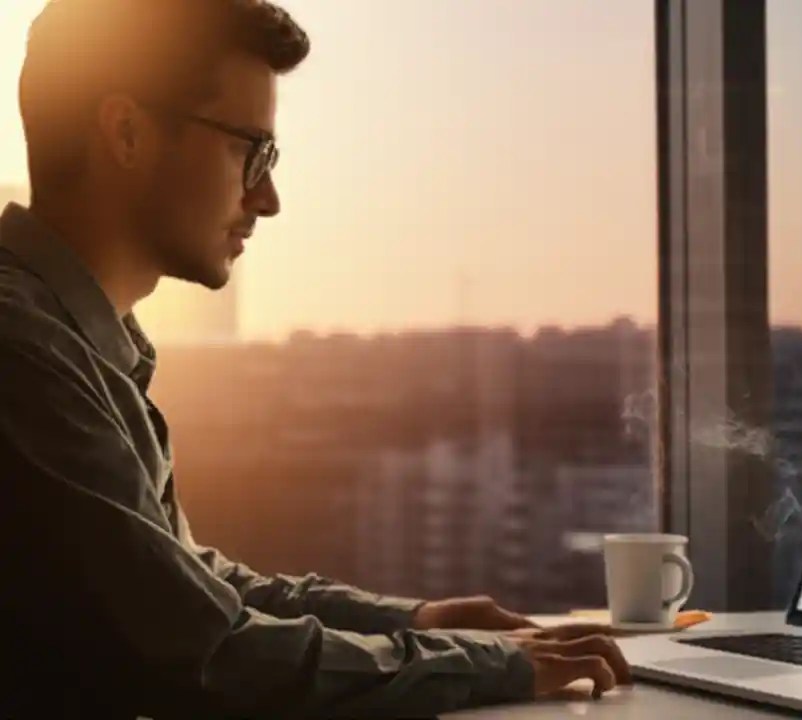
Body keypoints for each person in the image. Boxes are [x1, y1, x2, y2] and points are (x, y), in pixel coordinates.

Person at [0, 1, 630, 718]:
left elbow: (192, 591)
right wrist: (488, 665)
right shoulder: (24, 353)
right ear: (126, 132)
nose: (267, 199)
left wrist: (416, 623)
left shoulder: (70, 342)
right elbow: (206, 651)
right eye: (250, 151)